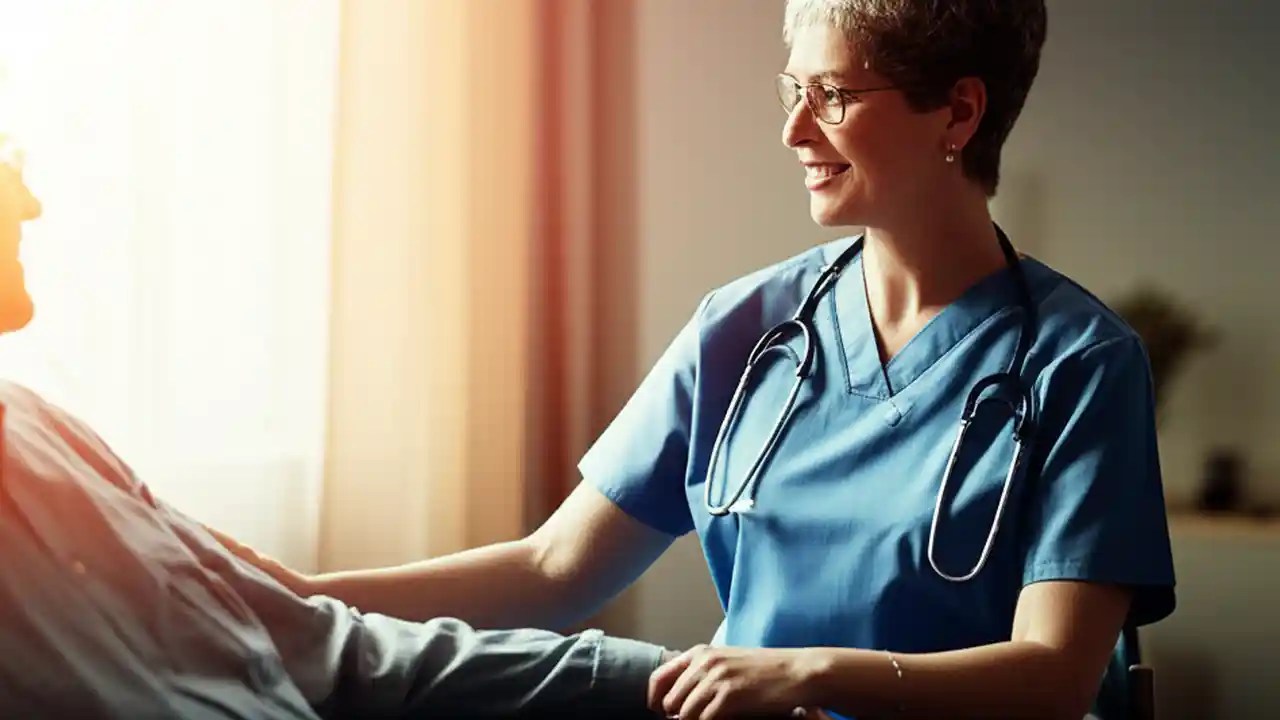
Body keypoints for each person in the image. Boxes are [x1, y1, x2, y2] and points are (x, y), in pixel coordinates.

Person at [217, 2, 1177, 718]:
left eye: (832, 96)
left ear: (957, 113)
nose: (795, 131)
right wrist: (301, 598)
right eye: (792, 91)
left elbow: (1053, 678)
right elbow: (554, 570)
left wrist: (802, 669)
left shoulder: (1079, 365)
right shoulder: (748, 326)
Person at [0, 141, 684, 718]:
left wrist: (672, 682)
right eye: (7, 163)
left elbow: (323, 644)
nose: (32, 204)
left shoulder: (49, 433)